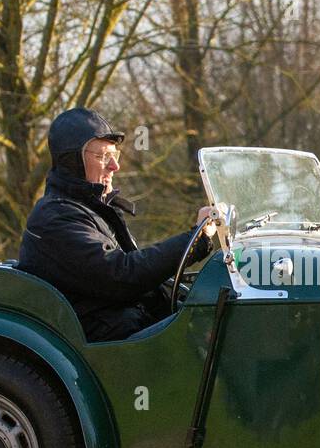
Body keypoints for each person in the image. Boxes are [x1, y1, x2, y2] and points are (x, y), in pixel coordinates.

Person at [17, 107, 218, 341]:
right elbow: (123, 276)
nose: (115, 166)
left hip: (122, 326)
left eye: (115, 156)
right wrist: (196, 239)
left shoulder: (92, 210)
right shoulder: (56, 217)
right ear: (73, 162)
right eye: (102, 157)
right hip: (104, 343)